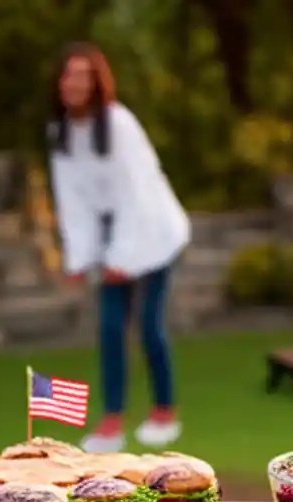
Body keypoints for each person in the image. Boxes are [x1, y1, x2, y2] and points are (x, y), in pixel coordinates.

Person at [48, 42, 189, 452]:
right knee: (110, 328)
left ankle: (164, 410)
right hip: (113, 236)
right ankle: (111, 420)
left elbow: (136, 192)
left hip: (153, 228)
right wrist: (79, 257)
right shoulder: (60, 133)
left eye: (82, 75)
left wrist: (124, 259)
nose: (73, 83)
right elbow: (72, 199)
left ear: (96, 82)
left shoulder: (119, 123)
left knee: (149, 326)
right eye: (67, 74)